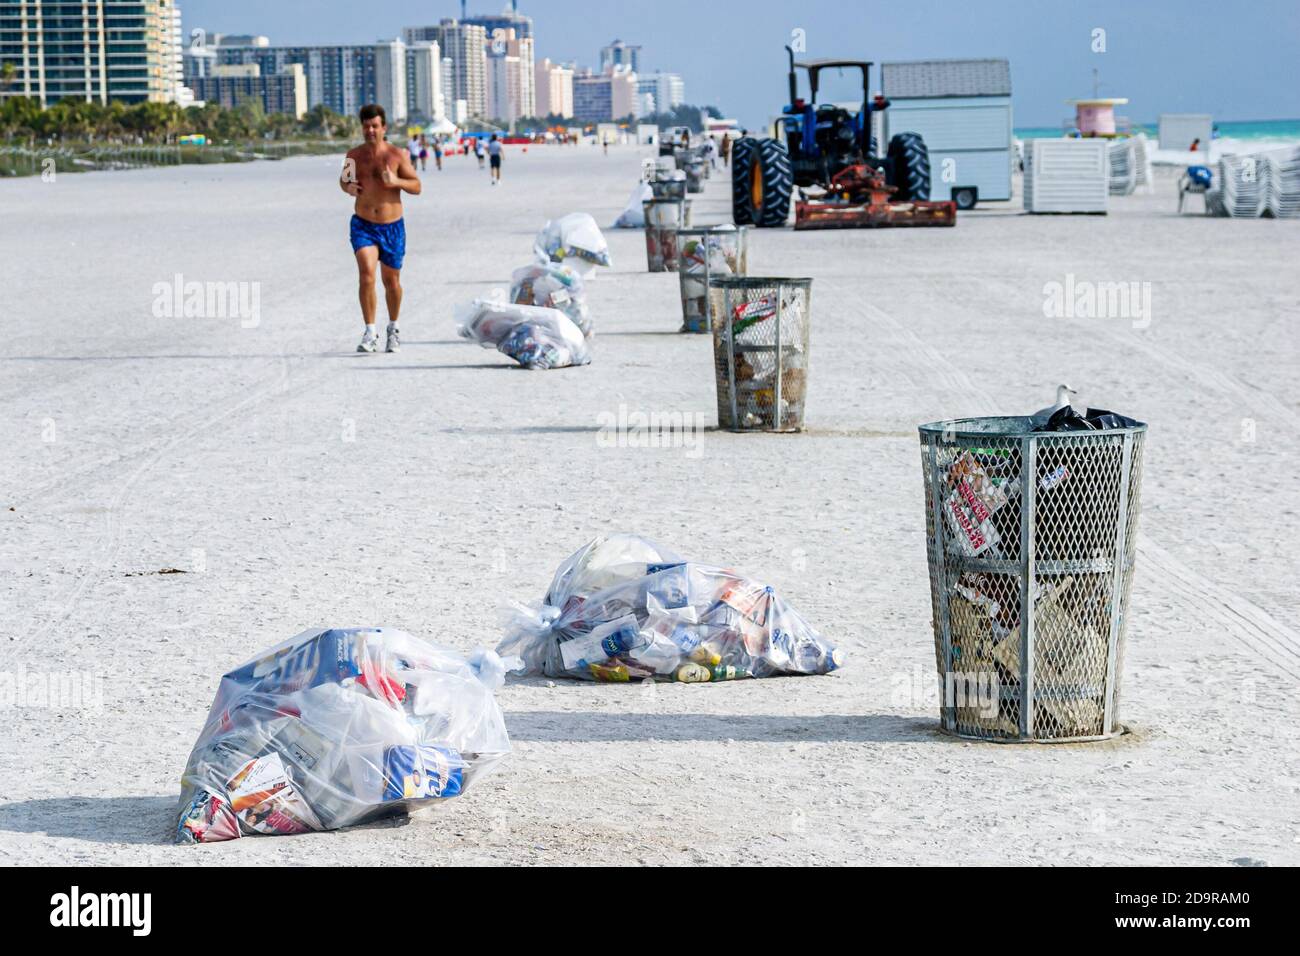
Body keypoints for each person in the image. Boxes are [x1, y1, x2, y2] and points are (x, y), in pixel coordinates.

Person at [340, 104, 421, 354]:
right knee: (366, 274)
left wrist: (395, 181)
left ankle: (393, 328)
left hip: (392, 227)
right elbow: (344, 180)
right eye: (366, 126)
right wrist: (349, 188)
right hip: (363, 224)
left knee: (391, 281)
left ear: (384, 127)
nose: (370, 130)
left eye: (375, 126)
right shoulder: (353, 156)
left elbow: (416, 186)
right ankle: (370, 331)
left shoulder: (397, 155)